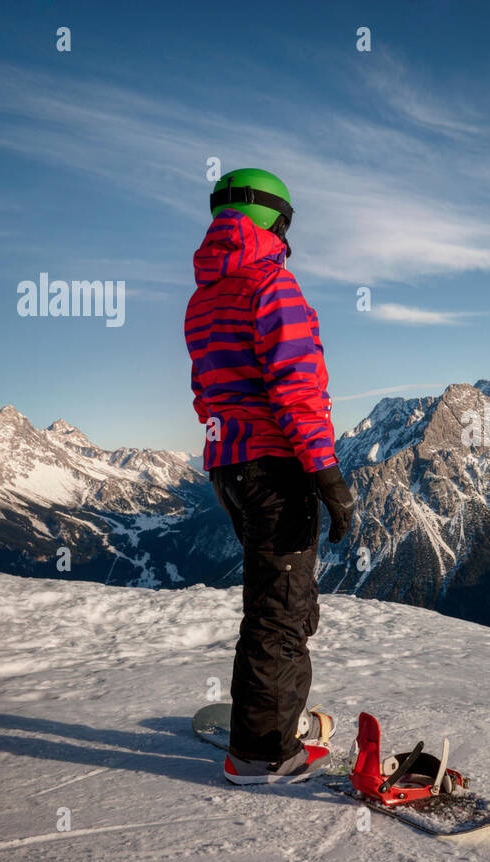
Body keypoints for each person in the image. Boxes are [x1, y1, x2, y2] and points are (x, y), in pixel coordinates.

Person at [184, 168, 355, 784]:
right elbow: (297, 386)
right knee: (280, 610)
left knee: (279, 599)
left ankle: (272, 720)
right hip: (275, 465)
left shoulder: (204, 296)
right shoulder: (272, 284)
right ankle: (262, 754)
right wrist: (327, 473)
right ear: (275, 219)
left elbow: (207, 391)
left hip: (228, 462)